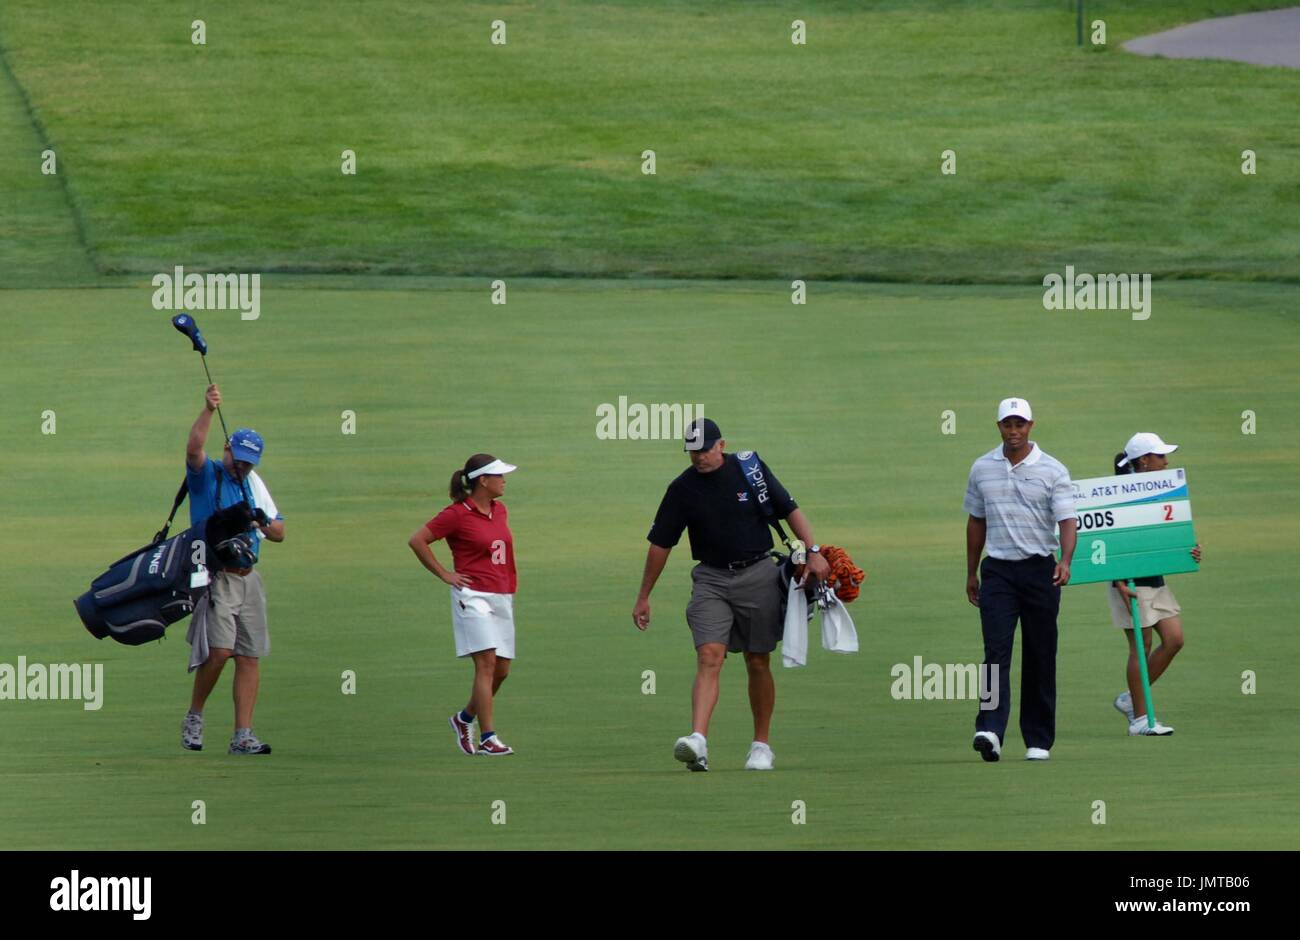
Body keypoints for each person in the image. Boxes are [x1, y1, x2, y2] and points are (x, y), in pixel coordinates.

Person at [632, 418, 830, 772]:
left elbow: (789, 509)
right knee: (710, 655)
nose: (699, 457)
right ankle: (698, 740)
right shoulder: (682, 489)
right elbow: (661, 543)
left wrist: (813, 551)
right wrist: (644, 595)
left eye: (705, 449)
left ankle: (761, 746)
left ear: (721, 445)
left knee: (757, 660)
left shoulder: (749, 470)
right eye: (692, 451)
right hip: (710, 579)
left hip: (758, 575)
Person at [964, 398, 1077, 763]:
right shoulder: (982, 468)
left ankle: (1038, 739)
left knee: (1040, 653)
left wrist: (1066, 560)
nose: (1014, 431)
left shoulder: (1053, 470)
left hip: (1040, 570)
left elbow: (1067, 522)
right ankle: (991, 730)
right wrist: (970, 571)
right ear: (998, 426)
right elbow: (976, 520)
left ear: (1031, 426)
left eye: (1020, 424)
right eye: (1007, 424)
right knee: (996, 651)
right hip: (997, 569)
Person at [181, 383, 284, 756]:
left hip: (249, 578)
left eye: (247, 462)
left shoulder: (253, 484)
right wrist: (208, 410)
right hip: (217, 575)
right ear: (227, 449)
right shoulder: (207, 475)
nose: (240, 466)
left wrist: (259, 522)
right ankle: (195, 715)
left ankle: (243, 735)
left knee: (250, 655)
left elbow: (280, 532)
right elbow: (193, 449)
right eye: (237, 458)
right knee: (221, 652)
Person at [409, 454, 519, 757]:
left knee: (502, 670)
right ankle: (488, 737)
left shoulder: (500, 510)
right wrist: (445, 573)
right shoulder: (457, 514)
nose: (504, 480)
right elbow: (418, 540)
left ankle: (464, 718)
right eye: (499, 475)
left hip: (501, 595)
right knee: (485, 664)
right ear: (483, 480)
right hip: (472, 597)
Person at [1108, 432, 1202, 737]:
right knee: (1141, 646)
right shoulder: (1119, 493)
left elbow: (1166, 531)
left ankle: (1130, 698)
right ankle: (1141, 719)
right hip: (1128, 581)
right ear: (1144, 461)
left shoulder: (1162, 492)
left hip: (1155, 577)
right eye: (1160, 456)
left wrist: (1188, 549)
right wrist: (1119, 582)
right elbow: (1108, 540)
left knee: (1174, 639)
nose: (1166, 461)